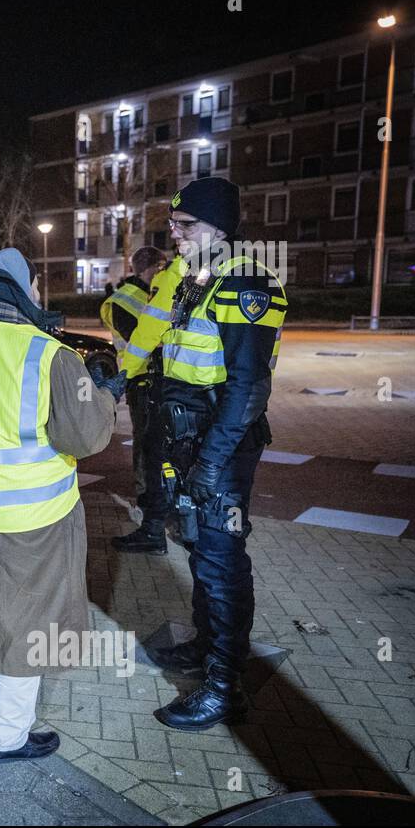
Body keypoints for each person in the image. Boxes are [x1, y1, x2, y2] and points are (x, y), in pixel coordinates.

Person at [0, 249, 123, 760]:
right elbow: (88, 436)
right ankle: (7, 737)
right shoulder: (50, 355)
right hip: (37, 522)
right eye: (33, 285)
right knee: (28, 629)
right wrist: (106, 395)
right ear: (22, 289)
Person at [147, 177, 286, 731]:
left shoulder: (247, 282)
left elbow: (249, 388)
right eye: (173, 225)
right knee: (202, 552)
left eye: (185, 226)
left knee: (222, 563)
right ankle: (206, 648)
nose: (174, 235)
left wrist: (209, 463)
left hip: (221, 449)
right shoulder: (197, 281)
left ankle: (225, 686)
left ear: (219, 229)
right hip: (192, 442)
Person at [100, 246, 169, 546]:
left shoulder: (155, 294)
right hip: (140, 380)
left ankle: (160, 498)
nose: (164, 273)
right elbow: (142, 340)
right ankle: (145, 500)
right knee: (146, 444)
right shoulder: (122, 301)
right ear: (149, 268)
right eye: (161, 267)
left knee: (160, 442)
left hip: (161, 379)